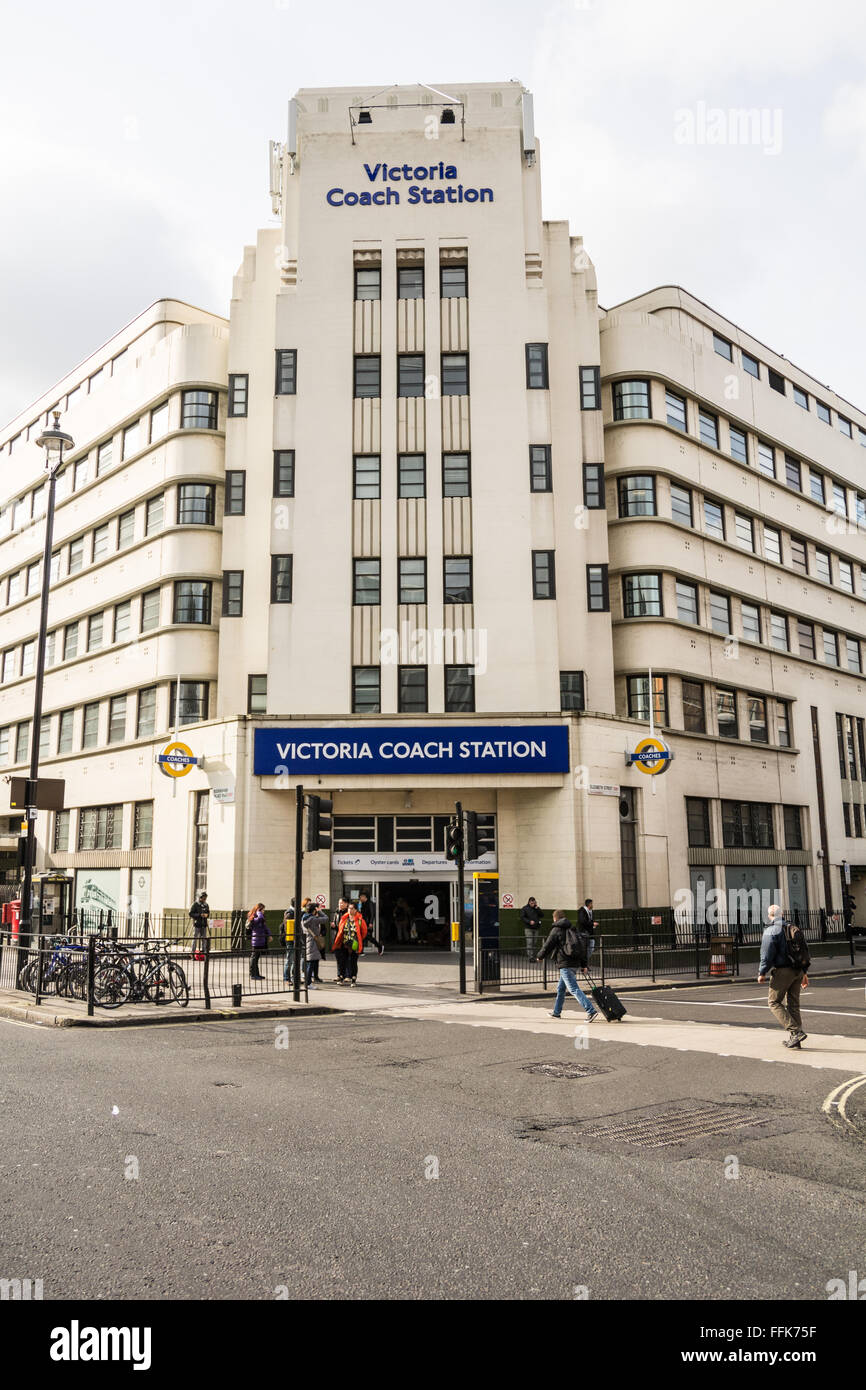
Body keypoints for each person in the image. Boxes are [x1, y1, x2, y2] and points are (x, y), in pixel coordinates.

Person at [758, 903, 810, 1048]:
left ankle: (796, 1032)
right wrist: (805, 972)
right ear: (782, 914)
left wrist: (762, 972)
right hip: (798, 970)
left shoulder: (771, 930)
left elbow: (767, 954)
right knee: (793, 1004)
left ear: (770, 916)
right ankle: (796, 1039)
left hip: (783, 970)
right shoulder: (793, 927)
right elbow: (805, 950)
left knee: (773, 1002)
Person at [537, 909, 598, 1022]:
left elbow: (548, 945)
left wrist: (540, 956)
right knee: (561, 988)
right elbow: (581, 947)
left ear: (555, 918)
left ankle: (591, 1011)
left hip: (565, 963)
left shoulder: (556, 929)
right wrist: (584, 965)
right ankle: (556, 1012)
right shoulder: (572, 928)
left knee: (573, 989)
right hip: (574, 962)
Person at [333, 901, 367, 986]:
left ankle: (353, 979)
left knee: (353, 962)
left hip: (354, 944)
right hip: (344, 943)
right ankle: (341, 977)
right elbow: (340, 930)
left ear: (356, 910)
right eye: (349, 908)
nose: (349, 910)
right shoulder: (344, 918)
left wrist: (358, 939)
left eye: (352, 908)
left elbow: (364, 932)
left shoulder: (360, 920)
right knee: (342, 961)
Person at [301, 902, 325, 989]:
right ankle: (308, 984)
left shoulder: (304, 918)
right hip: (313, 942)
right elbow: (326, 918)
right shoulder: (313, 919)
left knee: (311, 963)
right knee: (311, 964)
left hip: (308, 940)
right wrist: (320, 911)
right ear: (314, 910)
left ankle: (308, 983)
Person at [246, 903, 270, 980]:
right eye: (263, 910)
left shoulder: (261, 918)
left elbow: (265, 927)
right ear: (259, 909)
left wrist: (269, 934)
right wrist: (259, 912)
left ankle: (257, 973)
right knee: (254, 957)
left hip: (260, 940)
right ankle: (252, 974)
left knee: (256, 958)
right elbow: (258, 920)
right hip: (256, 940)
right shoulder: (254, 917)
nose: (264, 911)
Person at [358, 890, 384, 955]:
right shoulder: (362, 904)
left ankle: (379, 946)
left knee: (368, 937)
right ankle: (361, 951)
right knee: (363, 936)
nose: (360, 898)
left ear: (364, 897)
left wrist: (371, 922)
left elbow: (372, 914)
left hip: (368, 923)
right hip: (363, 923)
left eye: (361, 897)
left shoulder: (370, 903)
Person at [331, 898, 349, 981]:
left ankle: (347, 975)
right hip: (337, 937)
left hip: (345, 938)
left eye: (342, 903)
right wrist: (333, 926)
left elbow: (347, 926)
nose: (340, 905)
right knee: (338, 957)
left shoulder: (348, 913)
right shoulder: (337, 912)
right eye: (339, 903)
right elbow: (336, 924)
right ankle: (339, 975)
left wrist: (337, 927)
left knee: (345, 957)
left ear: (346, 904)